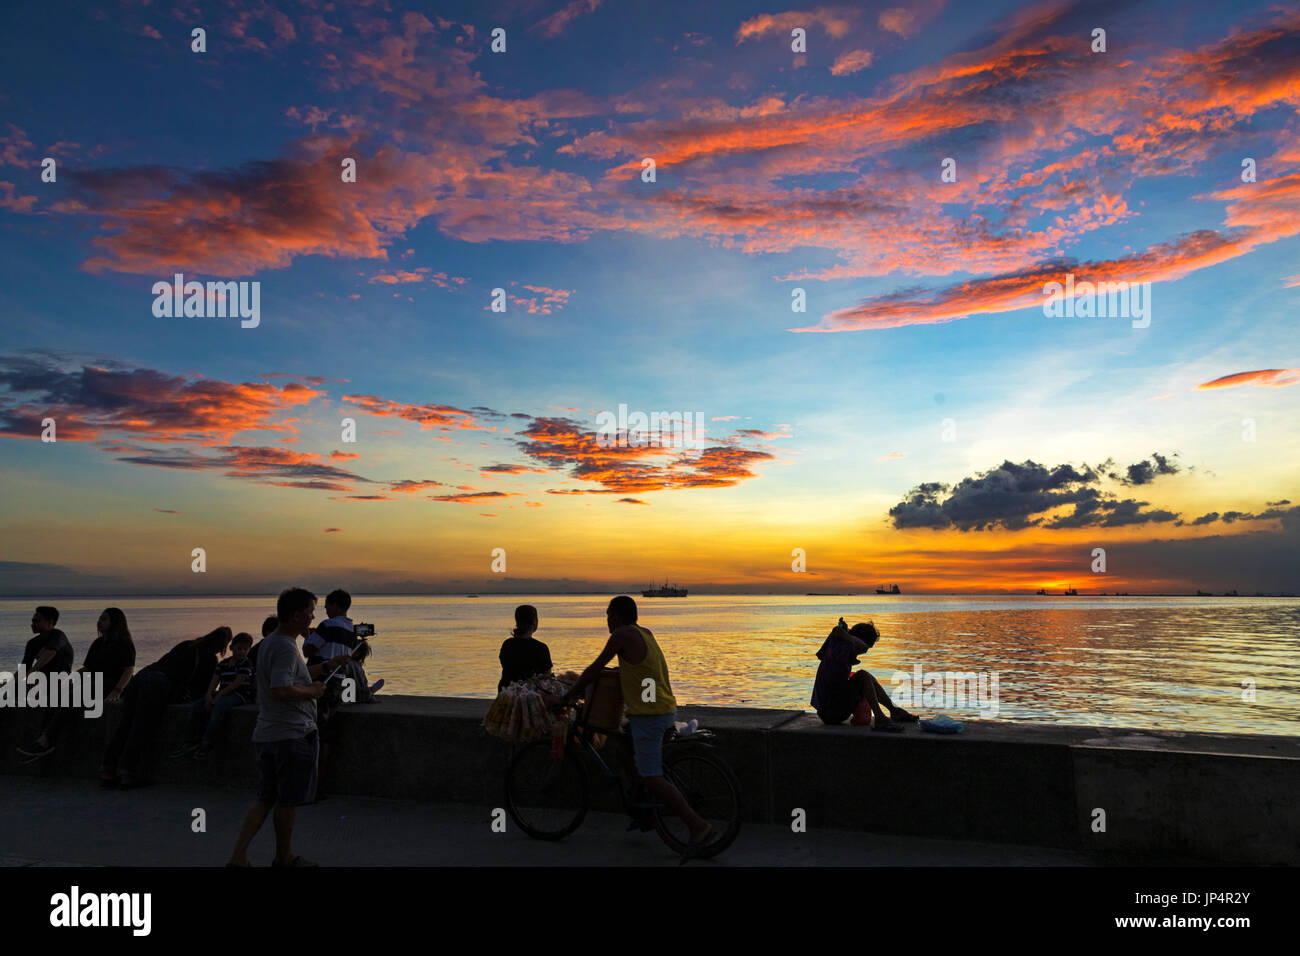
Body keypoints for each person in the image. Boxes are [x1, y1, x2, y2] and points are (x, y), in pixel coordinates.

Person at [560, 595, 714, 861]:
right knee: (622, 745)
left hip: (650, 717)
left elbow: (595, 669)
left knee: (652, 776)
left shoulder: (620, 635)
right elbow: (636, 671)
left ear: (617, 616)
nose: (606, 621)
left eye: (608, 615)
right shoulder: (644, 632)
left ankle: (697, 825)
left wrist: (568, 695)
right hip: (663, 709)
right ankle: (643, 812)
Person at [226, 588, 349, 867]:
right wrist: (313, 693)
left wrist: (329, 664)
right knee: (287, 801)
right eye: (309, 612)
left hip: (269, 733)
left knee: (265, 798)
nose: (312, 618)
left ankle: (237, 857)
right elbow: (281, 689)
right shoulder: (284, 647)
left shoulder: (272, 643)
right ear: (295, 616)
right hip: (289, 735)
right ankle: (283, 858)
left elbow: (295, 676)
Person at [100, 626, 232, 788]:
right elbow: (202, 690)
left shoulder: (187, 645)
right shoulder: (210, 659)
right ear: (222, 646)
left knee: (125, 724)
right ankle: (127, 773)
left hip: (141, 677)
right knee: (141, 729)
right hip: (157, 684)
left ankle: (107, 770)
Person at [811, 619, 918, 730]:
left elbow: (820, 654)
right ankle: (880, 718)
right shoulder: (841, 648)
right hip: (830, 713)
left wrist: (843, 632)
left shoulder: (836, 645)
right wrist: (844, 633)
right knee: (863, 676)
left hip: (830, 709)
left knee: (867, 677)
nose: (859, 653)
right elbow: (863, 647)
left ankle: (894, 711)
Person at [173, 632, 255, 759]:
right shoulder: (223, 664)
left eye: (245, 649)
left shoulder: (246, 663)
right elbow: (214, 680)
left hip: (239, 695)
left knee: (219, 707)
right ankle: (190, 740)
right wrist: (209, 695)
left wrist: (219, 695)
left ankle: (207, 743)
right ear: (232, 648)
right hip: (222, 693)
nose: (242, 652)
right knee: (196, 706)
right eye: (239, 648)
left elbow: (237, 683)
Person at [14, 606, 75, 759]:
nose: (33, 624)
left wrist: (33, 671)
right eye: (32, 621)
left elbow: (50, 652)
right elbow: (23, 668)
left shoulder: (58, 635)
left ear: (50, 622)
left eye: (37, 621)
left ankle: (43, 743)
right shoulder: (32, 643)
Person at [498, 604, 552, 692]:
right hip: (530, 695)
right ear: (534, 622)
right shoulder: (541, 648)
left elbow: (506, 666)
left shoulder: (507, 644)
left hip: (505, 691)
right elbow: (547, 677)